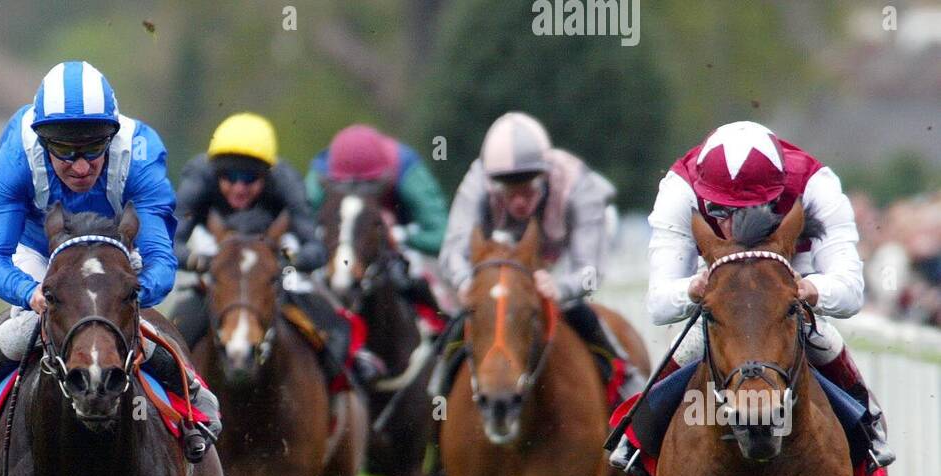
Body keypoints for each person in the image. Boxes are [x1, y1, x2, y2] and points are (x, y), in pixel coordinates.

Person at [0, 60, 218, 463]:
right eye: (65, 152)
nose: (81, 166)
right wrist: (29, 291)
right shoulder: (17, 153)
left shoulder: (139, 152)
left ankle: (193, 403)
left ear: (112, 136)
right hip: (42, 253)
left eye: (94, 149)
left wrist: (132, 293)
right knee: (23, 328)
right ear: (42, 141)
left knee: (137, 327)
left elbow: (160, 260)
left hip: (117, 253)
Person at [609, 120, 893, 476]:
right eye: (719, 211)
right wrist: (692, 290)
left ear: (778, 196)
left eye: (749, 212)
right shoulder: (679, 189)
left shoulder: (818, 185)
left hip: (791, 269)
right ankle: (637, 437)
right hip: (717, 278)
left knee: (819, 334)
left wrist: (809, 289)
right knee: (694, 340)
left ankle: (868, 428)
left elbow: (850, 289)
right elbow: (659, 303)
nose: (731, 226)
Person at [171, 112, 387, 388]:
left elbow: (316, 249)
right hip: (218, 279)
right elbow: (166, 243)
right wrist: (197, 260)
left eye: (249, 178)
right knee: (172, 339)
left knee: (336, 334)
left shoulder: (286, 181)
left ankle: (347, 386)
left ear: (266, 175)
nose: (239, 187)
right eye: (229, 177)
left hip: (270, 280)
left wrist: (285, 259)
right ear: (215, 173)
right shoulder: (199, 179)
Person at [439, 111, 638, 400]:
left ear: (545, 175)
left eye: (528, 187)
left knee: (577, 313)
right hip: (504, 260)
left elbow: (590, 271)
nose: (519, 201)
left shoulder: (578, 184)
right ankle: (438, 393)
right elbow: (453, 250)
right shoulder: (478, 181)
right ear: (493, 182)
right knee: (471, 316)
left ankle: (628, 380)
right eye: (510, 190)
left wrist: (561, 287)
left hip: (565, 259)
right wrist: (465, 283)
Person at [306, 123, 451, 314]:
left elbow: (445, 235)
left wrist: (400, 235)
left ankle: (444, 325)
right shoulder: (321, 173)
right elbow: (301, 229)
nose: (357, 194)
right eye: (346, 188)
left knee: (438, 280)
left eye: (368, 187)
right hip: (343, 249)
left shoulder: (407, 169)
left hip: (403, 249)